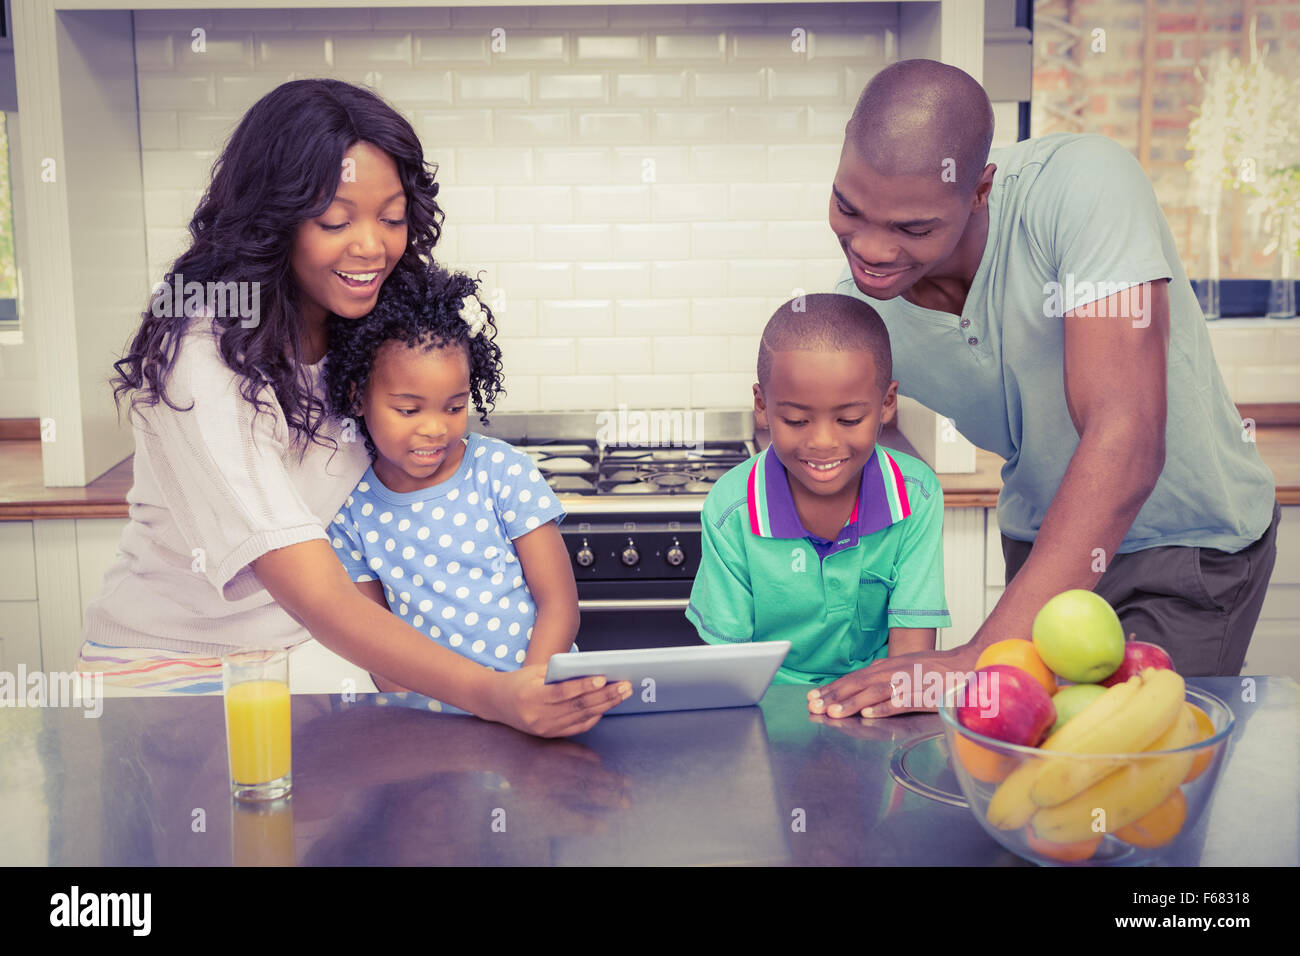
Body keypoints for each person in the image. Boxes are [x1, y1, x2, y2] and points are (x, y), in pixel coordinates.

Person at [79, 79, 629, 736]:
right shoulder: (204, 354)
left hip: (307, 663)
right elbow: (315, 590)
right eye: (336, 221)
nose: (371, 247)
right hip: (174, 676)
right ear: (271, 221)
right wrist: (494, 694)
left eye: (391, 217)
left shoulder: (370, 321)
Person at [810, 59, 1279, 720]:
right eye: (848, 209)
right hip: (1044, 548)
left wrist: (980, 656)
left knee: (1127, 781)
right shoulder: (863, 318)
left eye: (913, 228)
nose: (871, 249)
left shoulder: (1084, 186)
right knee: (1036, 783)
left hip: (1184, 549)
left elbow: (1126, 437)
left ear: (979, 191)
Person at [323, 262, 579, 700]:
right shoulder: (350, 510)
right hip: (435, 724)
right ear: (357, 396)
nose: (435, 428)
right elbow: (376, 645)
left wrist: (526, 697)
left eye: (454, 406)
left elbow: (560, 605)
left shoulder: (502, 472)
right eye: (409, 410)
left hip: (540, 699)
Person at [686, 294, 950, 684]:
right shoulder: (731, 510)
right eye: (796, 420)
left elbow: (910, 664)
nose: (823, 442)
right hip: (768, 708)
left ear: (888, 402)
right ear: (761, 405)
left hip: (875, 703)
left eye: (849, 419)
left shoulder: (917, 495)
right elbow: (731, 673)